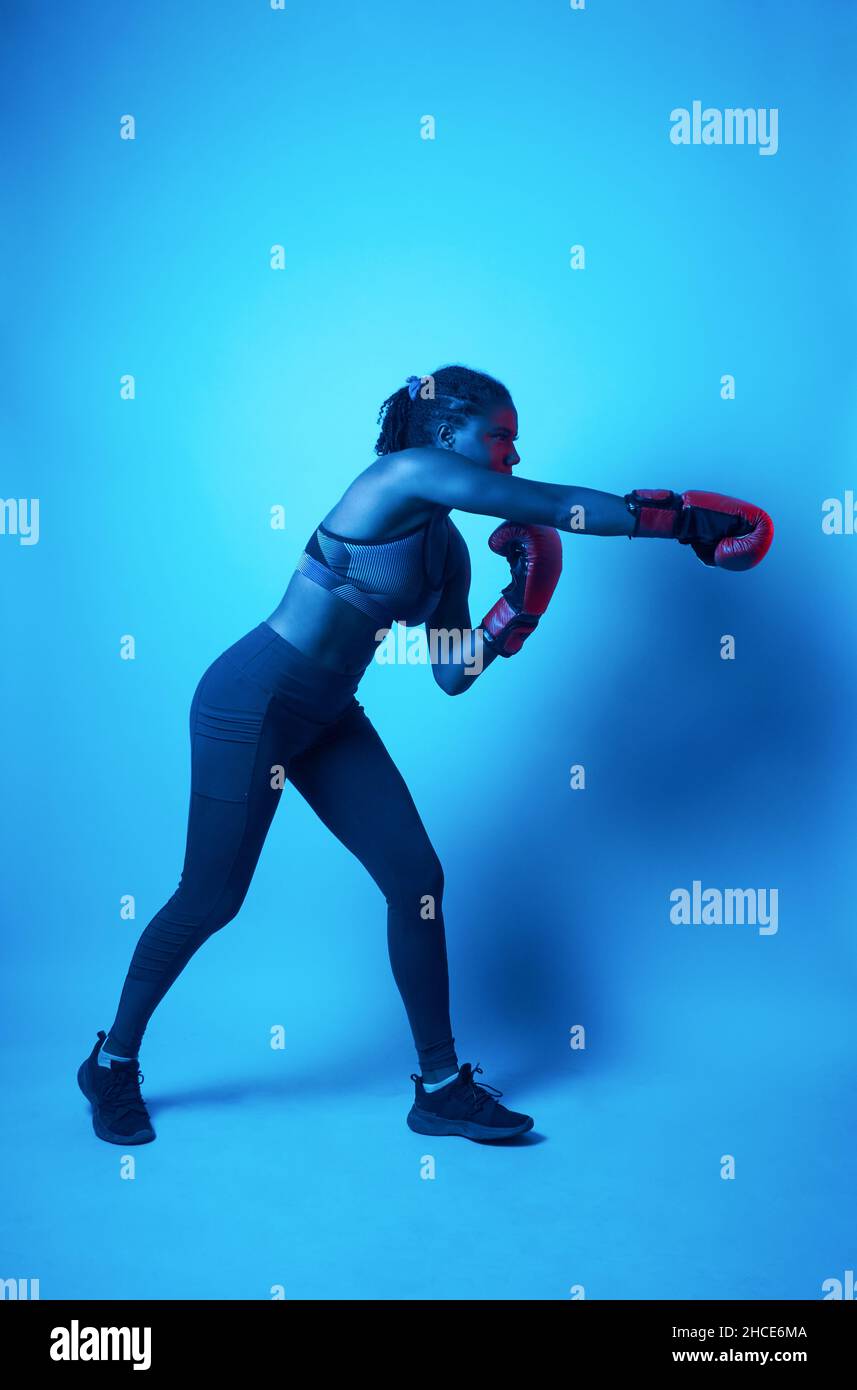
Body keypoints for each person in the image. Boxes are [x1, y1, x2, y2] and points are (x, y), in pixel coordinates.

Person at [77, 364, 773, 1146]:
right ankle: (110, 1063)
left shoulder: (446, 552)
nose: (512, 453)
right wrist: (680, 520)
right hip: (251, 702)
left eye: (516, 441)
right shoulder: (396, 477)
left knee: (417, 880)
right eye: (500, 435)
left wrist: (520, 603)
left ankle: (439, 1089)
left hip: (329, 715)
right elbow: (546, 503)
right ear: (447, 435)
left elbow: (449, 672)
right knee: (210, 900)